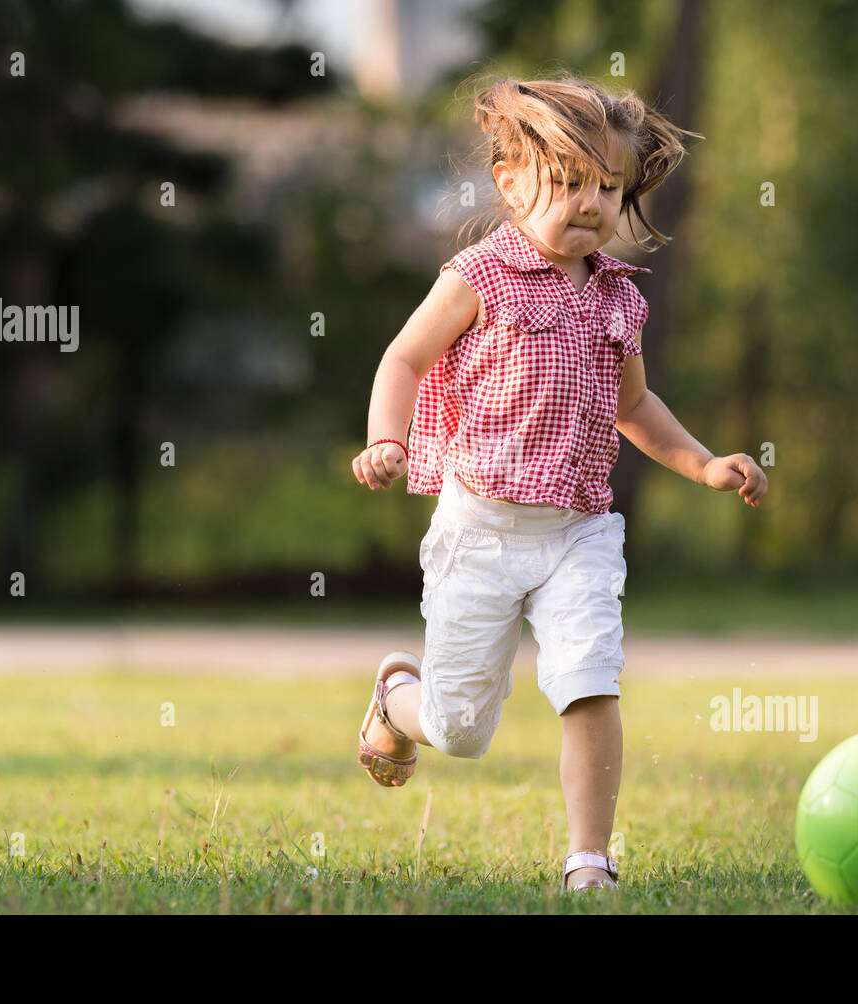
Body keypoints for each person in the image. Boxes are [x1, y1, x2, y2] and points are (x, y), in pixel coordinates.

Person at [350, 74, 768, 894]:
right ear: (509, 181)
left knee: (588, 679)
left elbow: (636, 404)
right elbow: (403, 358)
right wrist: (385, 440)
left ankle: (590, 859)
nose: (592, 203)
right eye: (570, 181)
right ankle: (399, 698)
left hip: (576, 531)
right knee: (461, 731)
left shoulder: (619, 297)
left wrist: (706, 464)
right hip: (479, 532)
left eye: (608, 187)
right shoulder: (481, 274)